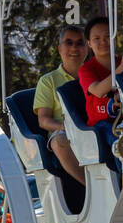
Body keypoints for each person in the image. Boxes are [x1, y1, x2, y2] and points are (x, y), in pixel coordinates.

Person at [34, 25, 87, 185]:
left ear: (87, 48)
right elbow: (43, 120)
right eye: (68, 43)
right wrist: (65, 127)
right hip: (65, 134)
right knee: (59, 141)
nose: (74, 48)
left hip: (92, 127)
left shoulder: (94, 75)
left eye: (79, 43)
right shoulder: (47, 81)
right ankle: (92, 185)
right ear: (59, 48)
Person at [79, 15, 123, 142]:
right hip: (101, 123)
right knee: (120, 142)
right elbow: (98, 91)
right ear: (89, 43)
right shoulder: (86, 69)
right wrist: (122, 68)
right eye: (96, 38)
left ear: (115, 39)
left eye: (107, 36)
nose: (103, 41)